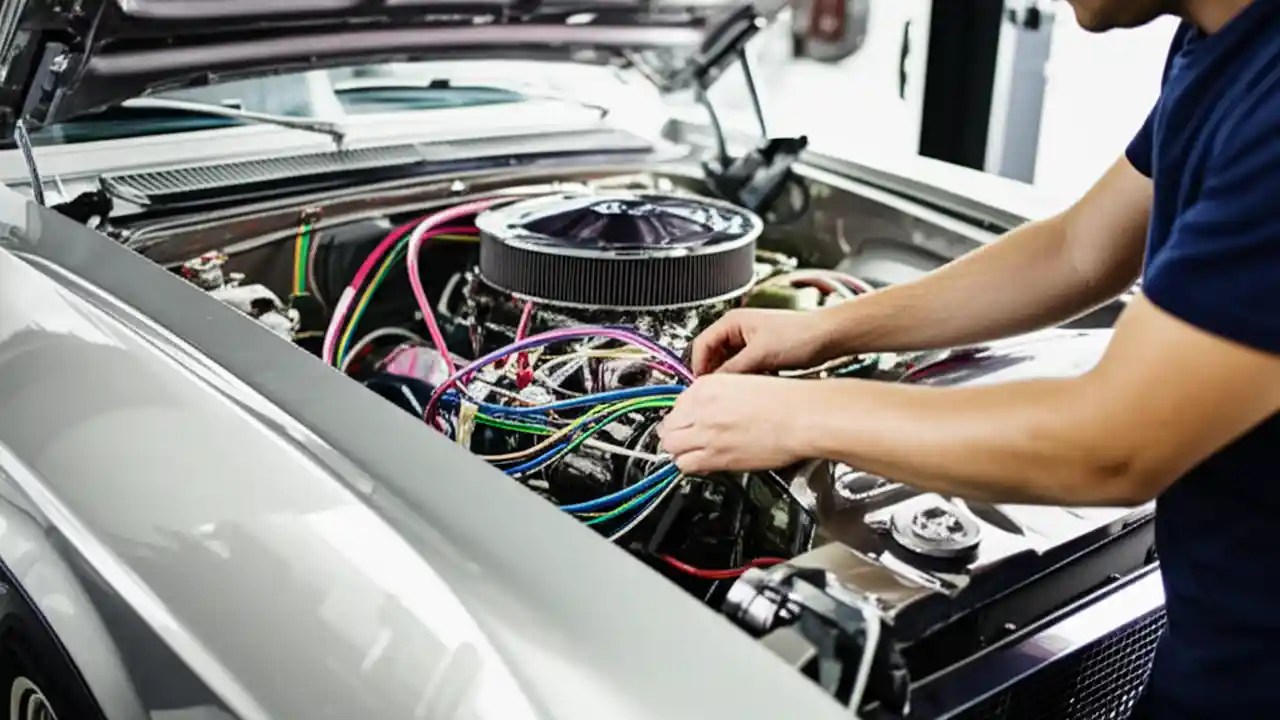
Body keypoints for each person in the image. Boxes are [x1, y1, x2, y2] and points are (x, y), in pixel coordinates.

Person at [657, 0, 1280, 716]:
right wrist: (828, 329)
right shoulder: (1219, 44)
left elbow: (1113, 446)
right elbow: (1079, 249)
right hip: (1214, 633)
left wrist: (799, 414)